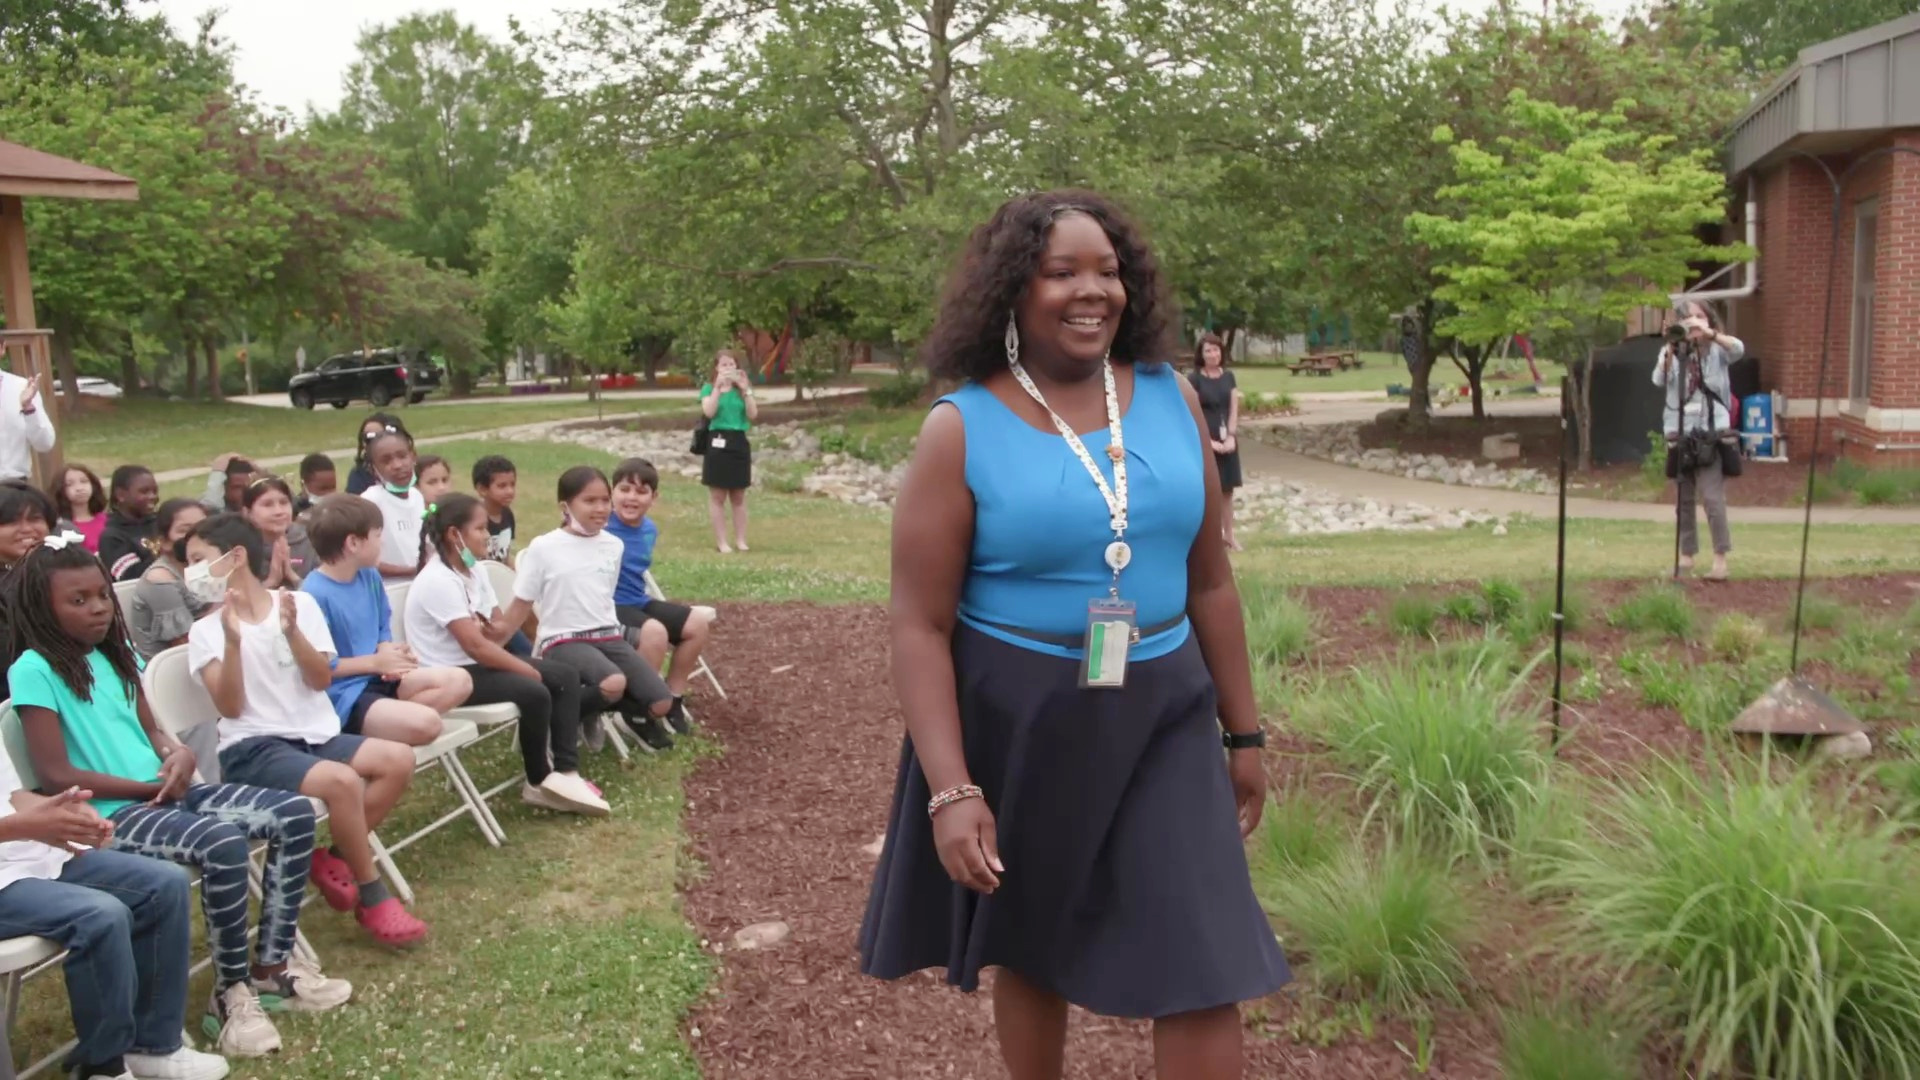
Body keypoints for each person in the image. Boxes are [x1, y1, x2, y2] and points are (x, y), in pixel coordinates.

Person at [860, 191, 1287, 1079]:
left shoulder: (1170, 399)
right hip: (1023, 719)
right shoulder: (960, 428)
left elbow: (1210, 580)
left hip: (1165, 707)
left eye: (1108, 270)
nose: (1092, 291)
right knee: (1033, 938)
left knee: (1204, 954)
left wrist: (1242, 732)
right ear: (1015, 291)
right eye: (1063, 273)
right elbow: (918, 623)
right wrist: (951, 790)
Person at [8, 535, 353, 1058]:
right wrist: (155, 784)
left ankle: (272, 969)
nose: (98, 608)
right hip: (112, 813)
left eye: (101, 595)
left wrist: (179, 755)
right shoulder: (34, 668)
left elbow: (155, 731)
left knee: (292, 813)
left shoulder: (115, 653)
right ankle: (230, 995)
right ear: (41, 606)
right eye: (77, 601)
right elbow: (56, 773)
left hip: (166, 791)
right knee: (221, 843)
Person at [185, 513, 429, 946]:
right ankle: (374, 899)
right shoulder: (205, 631)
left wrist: (292, 633)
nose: (193, 573)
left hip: (314, 733)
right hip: (254, 747)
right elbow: (230, 706)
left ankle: (334, 858)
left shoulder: (298, 605)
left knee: (398, 759)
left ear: (235, 556)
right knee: (341, 781)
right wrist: (233, 642)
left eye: (200, 559)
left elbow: (320, 679)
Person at [0, 765, 231, 1080]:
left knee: (164, 885)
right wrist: (23, 826)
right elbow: (16, 821)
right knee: (101, 916)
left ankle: (152, 1047)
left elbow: (11, 798)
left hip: (29, 855)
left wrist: (65, 813)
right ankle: (103, 1067)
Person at [404, 496, 608, 815]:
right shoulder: (437, 580)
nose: (488, 535)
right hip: (452, 675)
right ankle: (538, 781)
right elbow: (476, 648)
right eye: (480, 528)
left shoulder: (474, 571)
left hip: (479, 664)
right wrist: (525, 668)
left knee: (565, 675)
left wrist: (491, 628)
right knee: (535, 690)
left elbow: (497, 630)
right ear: (454, 535)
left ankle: (567, 772)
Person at [495, 466, 678, 752]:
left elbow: (603, 597)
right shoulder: (544, 547)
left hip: (607, 635)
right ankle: (561, 715)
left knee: (661, 702)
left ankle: (584, 709)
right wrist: (490, 645)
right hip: (563, 638)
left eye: (605, 500)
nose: (601, 508)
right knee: (613, 682)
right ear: (565, 506)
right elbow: (522, 604)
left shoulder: (613, 545)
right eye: (590, 501)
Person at [301, 496, 467, 747]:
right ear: (353, 543)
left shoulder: (369, 575)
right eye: (378, 535)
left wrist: (388, 650)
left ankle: (390, 720)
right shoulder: (313, 594)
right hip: (346, 694)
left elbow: (382, 625)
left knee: (460, 681)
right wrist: (376, 662)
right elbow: (320, 668)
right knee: (429, 724)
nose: (383, 542)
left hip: (381, 677)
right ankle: (365, 730)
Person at [608, 457, 711, 733]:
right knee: (655, 633)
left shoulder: (649, 529)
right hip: (605, 606)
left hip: (636, 601)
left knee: (697, 624)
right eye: (625, 489)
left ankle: (673, 698)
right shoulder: (599, 525)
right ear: (612, 492)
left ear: (654, 497)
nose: (632, 498)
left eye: (641, 492)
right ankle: (636, 708)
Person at [1653, 300, 1744, 581]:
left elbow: (1739, 349)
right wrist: (1672, 345)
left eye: (1699, 316)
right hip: (1679, 432)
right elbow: (1659, 379)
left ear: (1709, 319)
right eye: (1688, 317)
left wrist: (1709, 334)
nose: (1693, 321)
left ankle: (1720, 561)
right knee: (1684, 500)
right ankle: (1686, 558)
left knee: (1713, 498)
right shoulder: (1672, 351)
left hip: (1711, 433)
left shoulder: (1718, 349)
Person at [129, 499, 210, 659]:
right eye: (184, 530)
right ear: (164, 541)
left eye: (203, 528)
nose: (195, 537)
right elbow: (185, 644)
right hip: (171, 669)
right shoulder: (160, 580)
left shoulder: (204, 567)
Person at [699, 350, 759, 553]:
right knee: (717, 495)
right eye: (723, 365)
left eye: (731, 364)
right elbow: (709, 412)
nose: (728, 368)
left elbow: (753, 414)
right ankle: (722, 541)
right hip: (717, 440)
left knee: (738, 495)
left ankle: (741, 540)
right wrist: (717, 388)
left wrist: (746, 390)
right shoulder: (708, 388)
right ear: (716, 368)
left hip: (738, 441)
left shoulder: (742, 390)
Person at [1187, 333, 1243, 551]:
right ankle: (1210, 539)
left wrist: (1231, 436)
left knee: (1227, 490)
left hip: (1226, 439)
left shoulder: (1228, 377)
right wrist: (1208, 442)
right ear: (1201, 354)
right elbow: (1192, 413)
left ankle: (1229, 535)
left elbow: (1234, 408)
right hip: (1205, 438)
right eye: (1208, 350)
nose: (1213, 354)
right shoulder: (1194, 380)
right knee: (1208, 490)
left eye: (1216, 349)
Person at [357, 430, 424, 580]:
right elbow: (361, 557)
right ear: (373, 468)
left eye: (402, 456)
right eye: (386, 461)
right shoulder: (371, 501)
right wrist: (411, 571)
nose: (398, 465)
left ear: (413, 456)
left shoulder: (417, 496)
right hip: (390, 589)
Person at [243, 477, 319, 589]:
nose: (279, 511)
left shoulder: (311, 542)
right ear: (248, 512)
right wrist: (271, 581)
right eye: (267, 505)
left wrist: (293, 577)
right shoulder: (241, 549)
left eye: (284, 502)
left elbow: (323, 594)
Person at [100, 465, 161, 582]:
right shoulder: (112, 537)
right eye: (144, 491)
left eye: (154, 491)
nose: (152, 496)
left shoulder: (161, 521)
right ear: (121, 495)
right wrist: (169, 555)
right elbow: (130, 576)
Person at [0, 366, 55, 485]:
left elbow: (45, 444)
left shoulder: (21, 387)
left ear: (2, 349)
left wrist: (28, 409)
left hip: (12, 487)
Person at [345, 413, 410, 496]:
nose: (370, 443)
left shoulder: (415, 471)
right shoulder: (359, 474)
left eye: (377, 436)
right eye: (366, 438)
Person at [49, 464, 109, 553]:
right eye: (69, 484)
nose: (79, 488)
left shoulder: (108, 520)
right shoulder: (60, 527)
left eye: (84, 481)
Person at [473, 455, 518, 567]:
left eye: (512, 485)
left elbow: (505, 555)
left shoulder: (507, 514)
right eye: (502, 486)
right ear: (482, 489)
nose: (510, 491)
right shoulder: (473, 519)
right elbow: (463, 555)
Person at [295, 453, 336, 517]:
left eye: (333, 487)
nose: (330, 494)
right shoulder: (293, 514)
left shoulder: (339, 511)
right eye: (323, 488)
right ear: (303, 485)